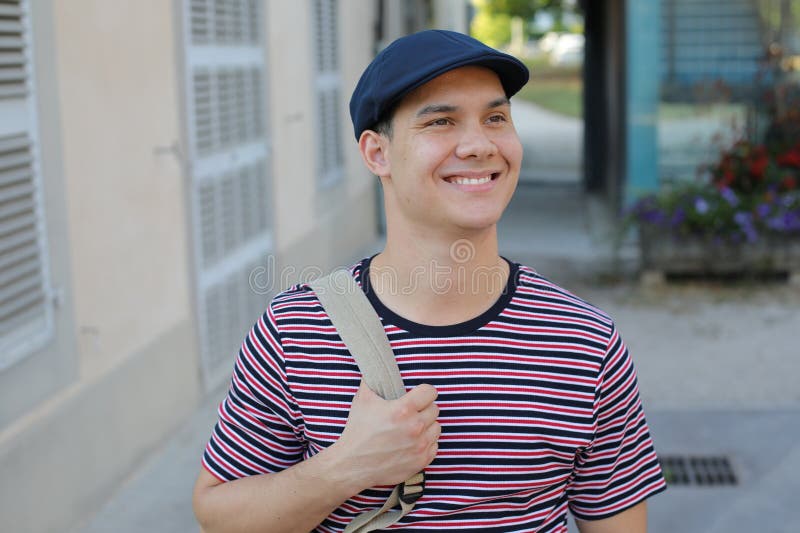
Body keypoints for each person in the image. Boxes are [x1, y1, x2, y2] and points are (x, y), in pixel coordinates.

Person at [193, 29, 666, 532]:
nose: (480, 145)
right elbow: (219, 517)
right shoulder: (295, 331)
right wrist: (343, 468)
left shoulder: (584, 341)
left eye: (496, 118)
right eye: (441, 121)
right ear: (377, 154)